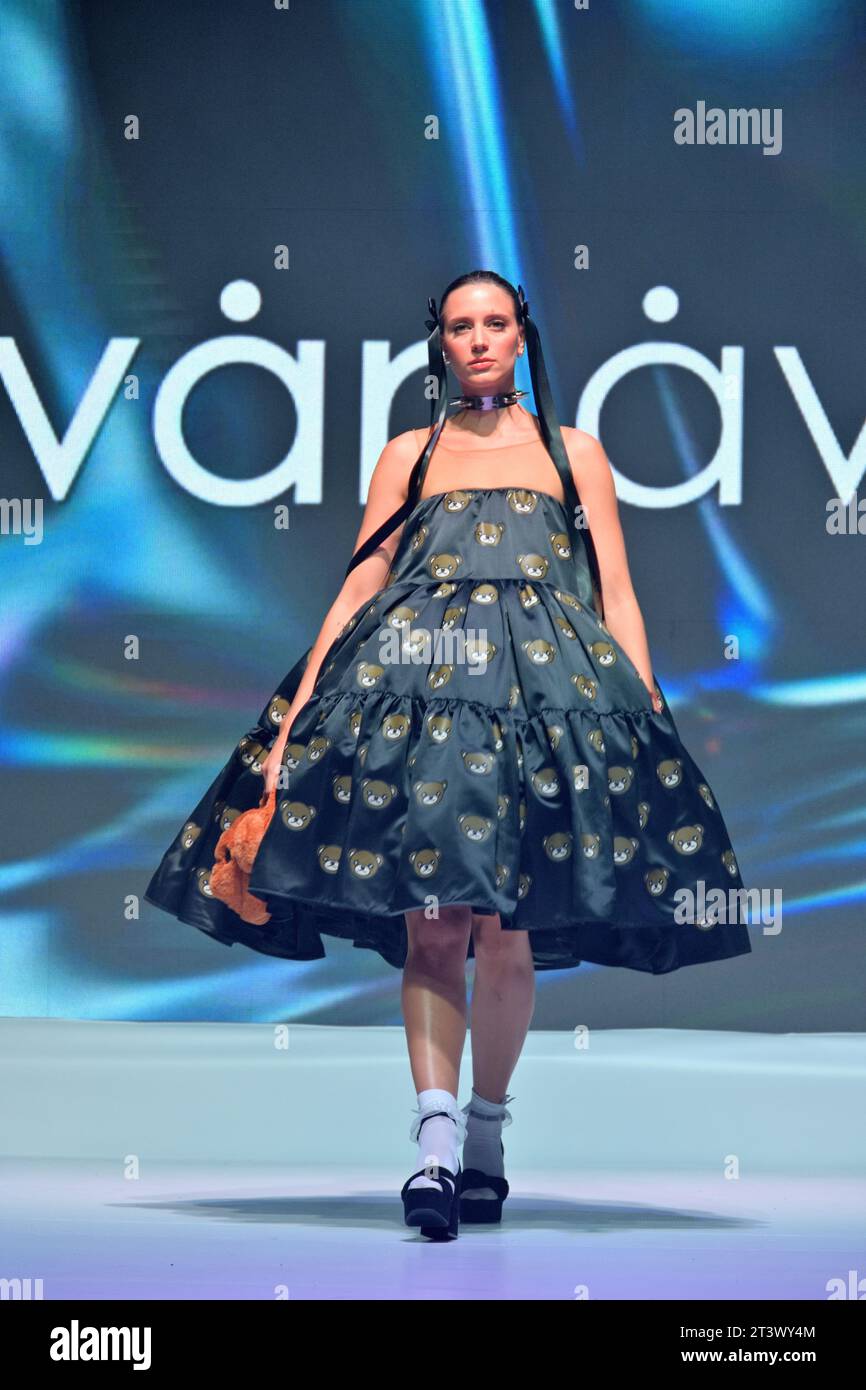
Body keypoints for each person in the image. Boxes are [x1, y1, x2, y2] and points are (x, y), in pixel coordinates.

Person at [145, 270, 751, 1242]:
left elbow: (617, 592)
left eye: (493, 323)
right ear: (441, 342)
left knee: (506, 933)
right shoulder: (406, 455)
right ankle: (431, 1151)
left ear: (521, 337)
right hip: (420, 696)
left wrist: (645, 716)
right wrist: (301, 710)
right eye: (459, 326)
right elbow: (355, 587)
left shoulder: (573, 453)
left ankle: (487, 1142)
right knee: (432, 926)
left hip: (546, 701)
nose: (476, 339)